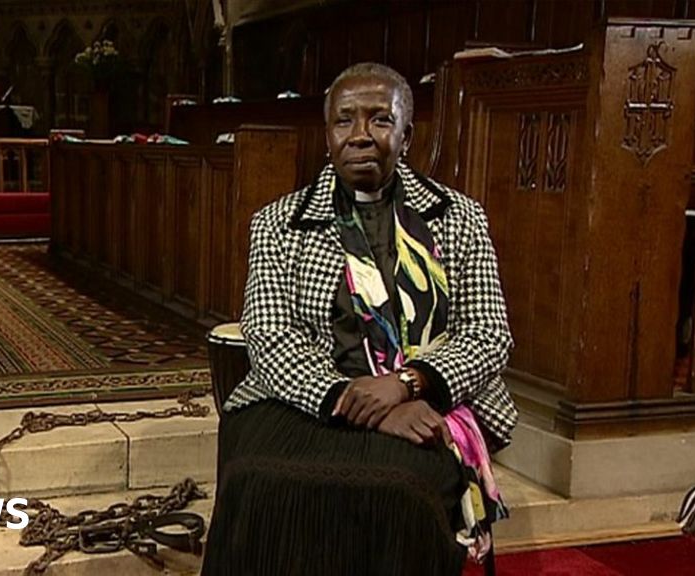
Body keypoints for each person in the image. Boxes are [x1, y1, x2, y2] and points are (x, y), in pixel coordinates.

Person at [201, 62, 518, 576]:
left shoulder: (458, 217)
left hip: (427, 399)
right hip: (304, 399)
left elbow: (487, 334)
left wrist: (405, 384)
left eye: (380, 120)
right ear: (328, 136)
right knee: (255, 481)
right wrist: (361, 402)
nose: (360, 135)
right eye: (344, 120)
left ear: (406, 136)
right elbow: (270, 337)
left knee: (401, 490)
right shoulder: (279, 222)